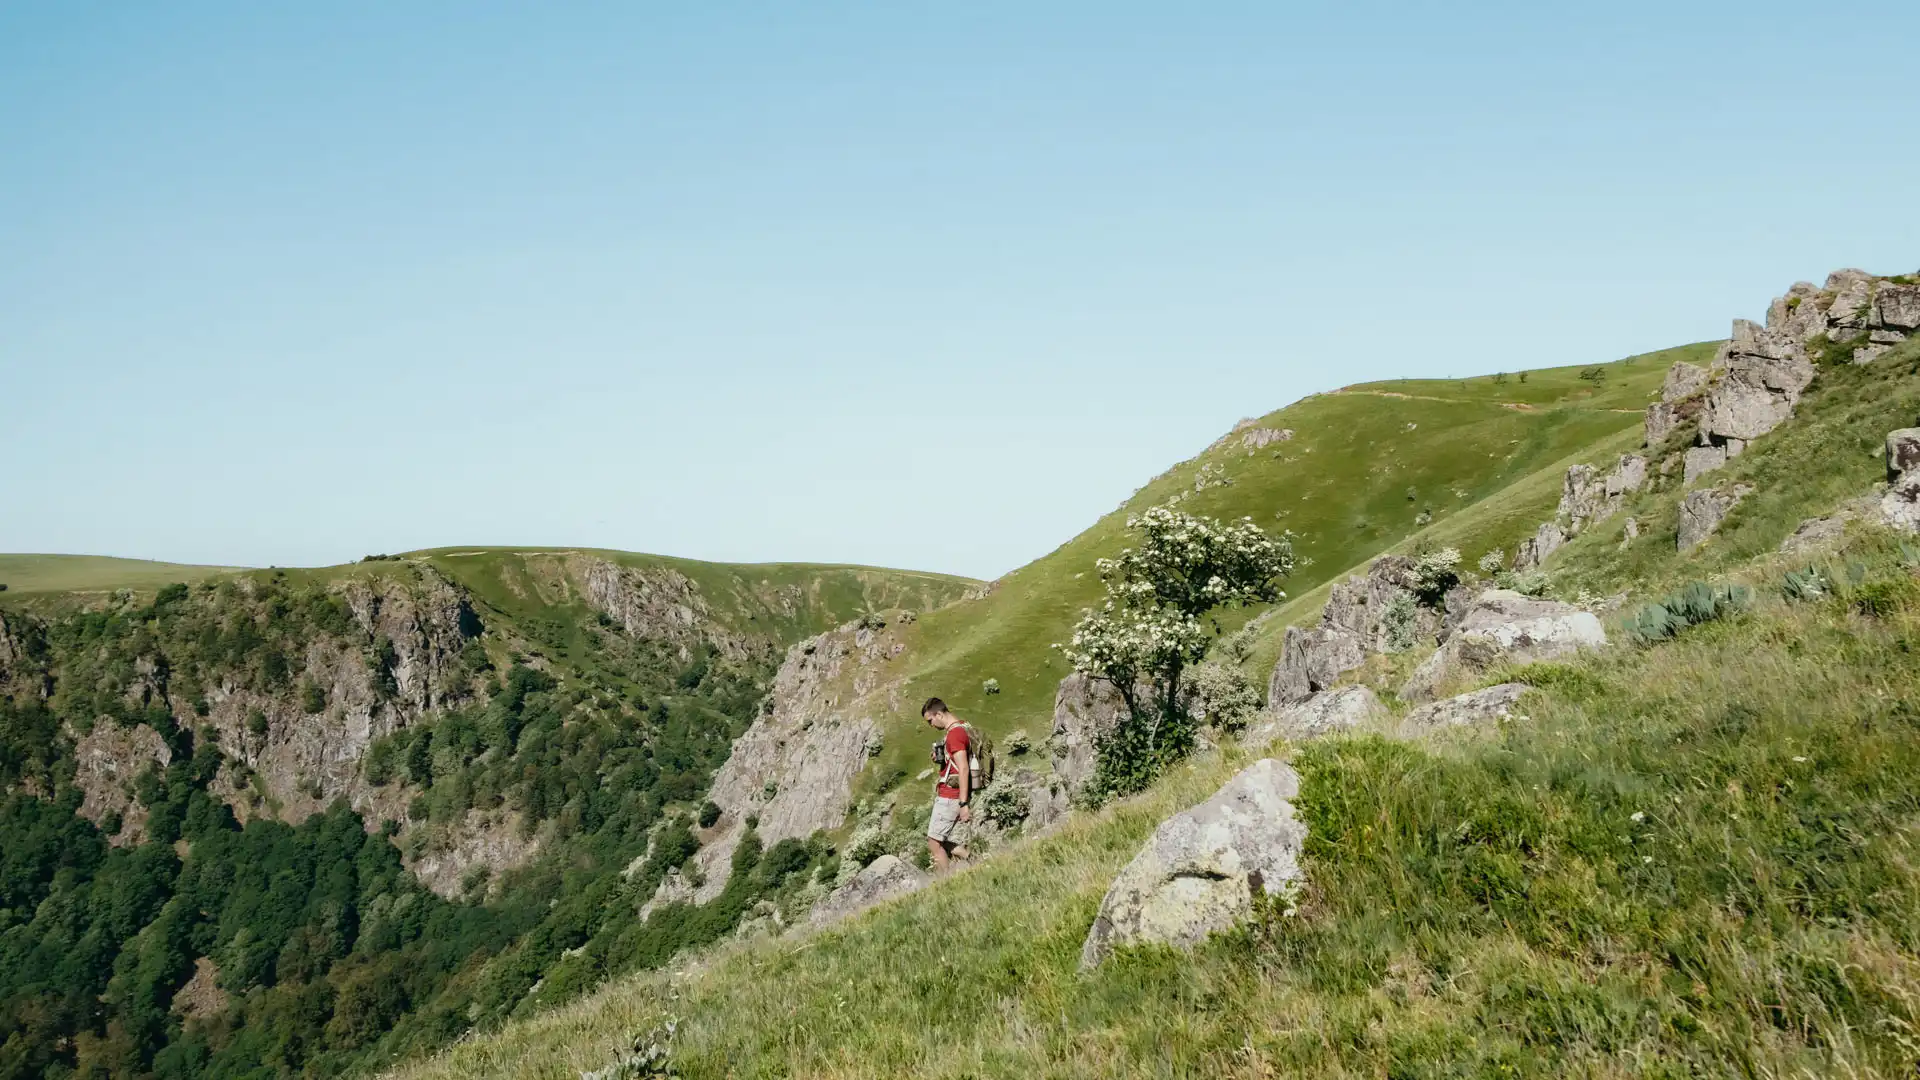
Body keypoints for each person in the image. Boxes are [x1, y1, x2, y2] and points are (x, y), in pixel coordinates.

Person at [922, 697, 972, 871]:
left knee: (934, 843)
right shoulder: (963, 726)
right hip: (951, 795)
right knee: (939, 839)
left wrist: (963, 803)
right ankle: (970, 858)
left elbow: (964, 768)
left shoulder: (955, 735)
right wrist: (942, 760)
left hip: (950, 797)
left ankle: (944, 882)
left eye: (931, 720)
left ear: (939, 714)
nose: (931, 725)